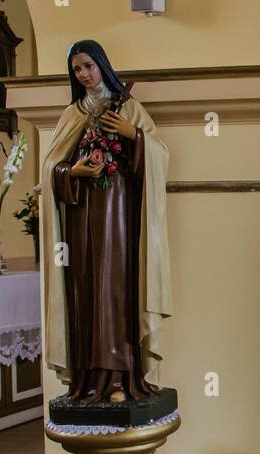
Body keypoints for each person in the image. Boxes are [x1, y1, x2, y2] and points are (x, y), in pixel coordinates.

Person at [40, 40, 172, 404]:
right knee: (85, 291)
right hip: (81, 219)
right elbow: (51, 167)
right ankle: (87, 378)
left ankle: (119, 377)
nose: (83, 74)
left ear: (102, 64)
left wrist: (134, 135)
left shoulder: (128, 107)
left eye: (88, 65)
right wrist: (73, 170)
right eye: (77, 69)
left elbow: (160, 155)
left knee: (115, 290)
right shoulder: (73, 113)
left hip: (120, 217)